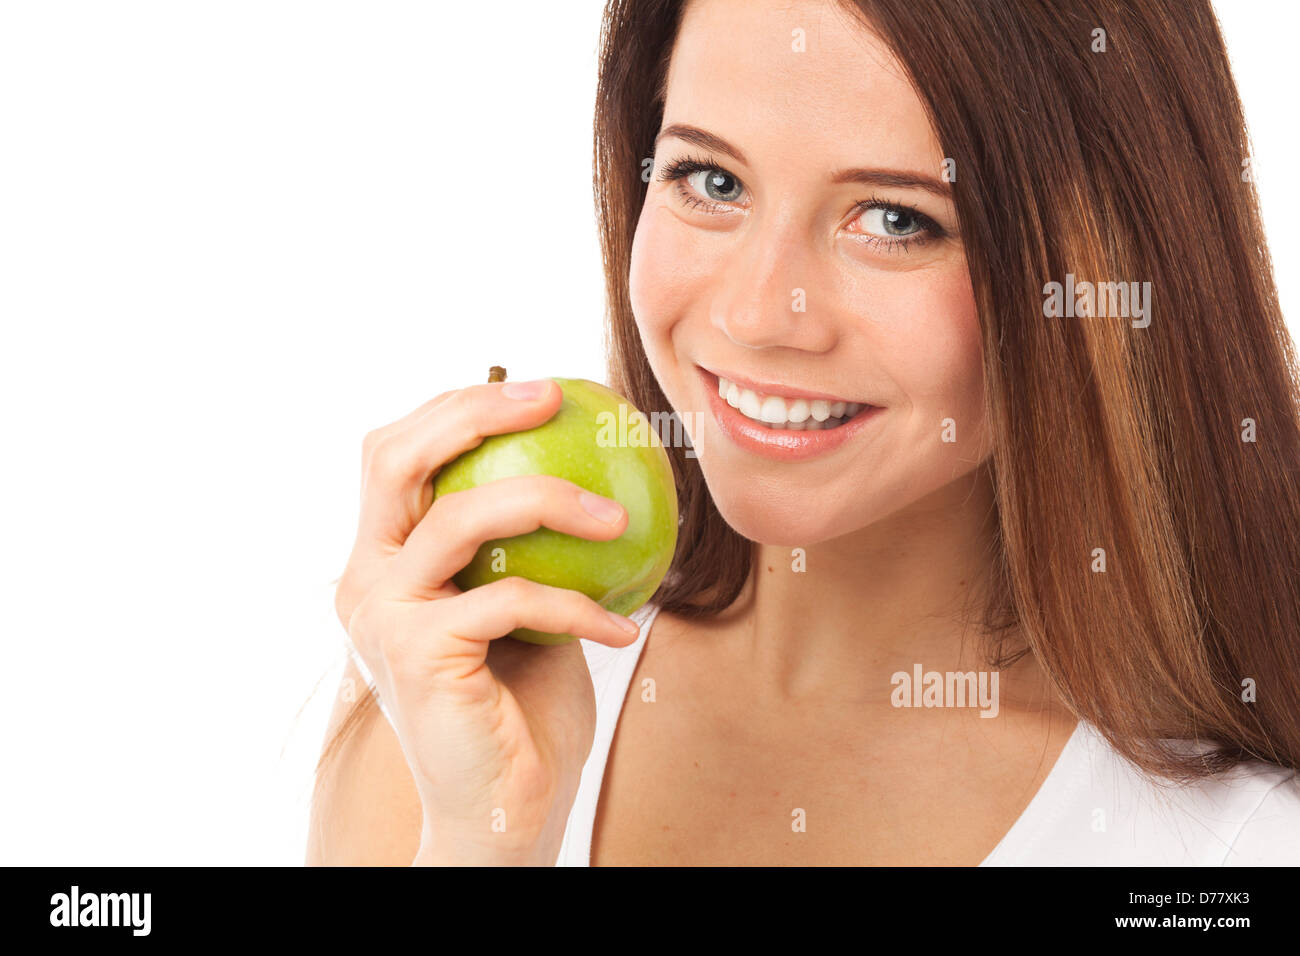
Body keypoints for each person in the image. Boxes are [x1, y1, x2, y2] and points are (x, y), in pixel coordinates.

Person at [307, 0, 1300, 865]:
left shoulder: (1237, 843)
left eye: (895, 218)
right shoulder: (451, 707)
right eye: (713, 181)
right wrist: (482, 845)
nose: (756, 315)